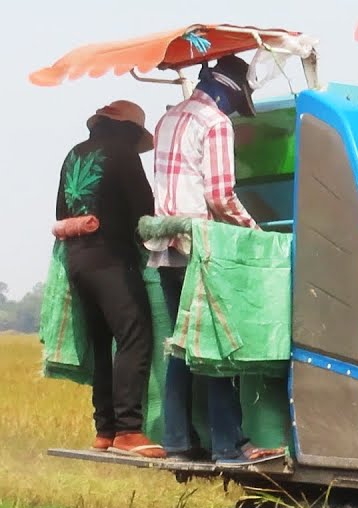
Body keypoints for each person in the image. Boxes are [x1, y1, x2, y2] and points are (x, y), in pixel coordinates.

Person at [149, 55, 284, 466]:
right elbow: (220, 196)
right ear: (228, 91)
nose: (233, 110)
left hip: (166, 247)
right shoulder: (215, 123)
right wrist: (255, 232)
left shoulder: (168, 119)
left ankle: (176, 441)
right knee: (217, 347)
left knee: (180, 346)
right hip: (201, 248)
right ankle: (230, 445)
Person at [54, 100, 164, 457]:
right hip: (111, 260)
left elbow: (61, 212)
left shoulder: (73, 154)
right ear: (130, 130)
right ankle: (129, 431)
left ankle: (105, 429)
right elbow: (144, 213)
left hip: (77, 260)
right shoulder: (123, 154)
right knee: (134, 336)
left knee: (102, 342)